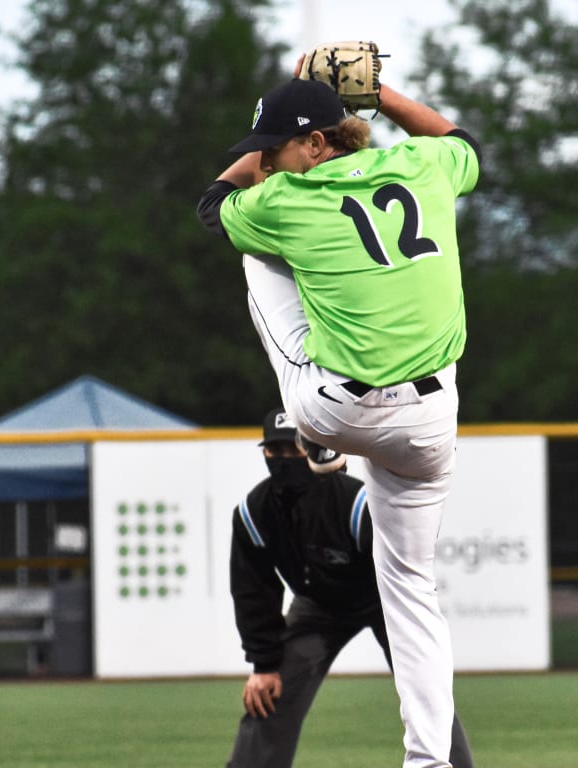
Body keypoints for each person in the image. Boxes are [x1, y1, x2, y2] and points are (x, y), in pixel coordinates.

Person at [197, 60, 481, 768]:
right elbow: (463, 140)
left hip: (329, 410)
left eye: (276, 145)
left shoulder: (284, 198)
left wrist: (257, 172)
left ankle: (310, 438)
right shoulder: (423, 164)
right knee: (414, 590)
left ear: (319, 144)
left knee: (253, 255)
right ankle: (430, 763)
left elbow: (212, 205)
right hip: (430, 423)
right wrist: (378, 95)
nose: (265, 159)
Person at [227, 409, 473, 768]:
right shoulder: (254, 512)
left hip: (383, 600)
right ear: (264, 453)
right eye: (274, 452)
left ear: (311, 449)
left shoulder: (353, 502)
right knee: (270, 691)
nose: (283, 460)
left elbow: (400, 568)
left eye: (292, 450)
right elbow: (253, 591)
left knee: (425, 691)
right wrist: (263, 663)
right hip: (317, 608)